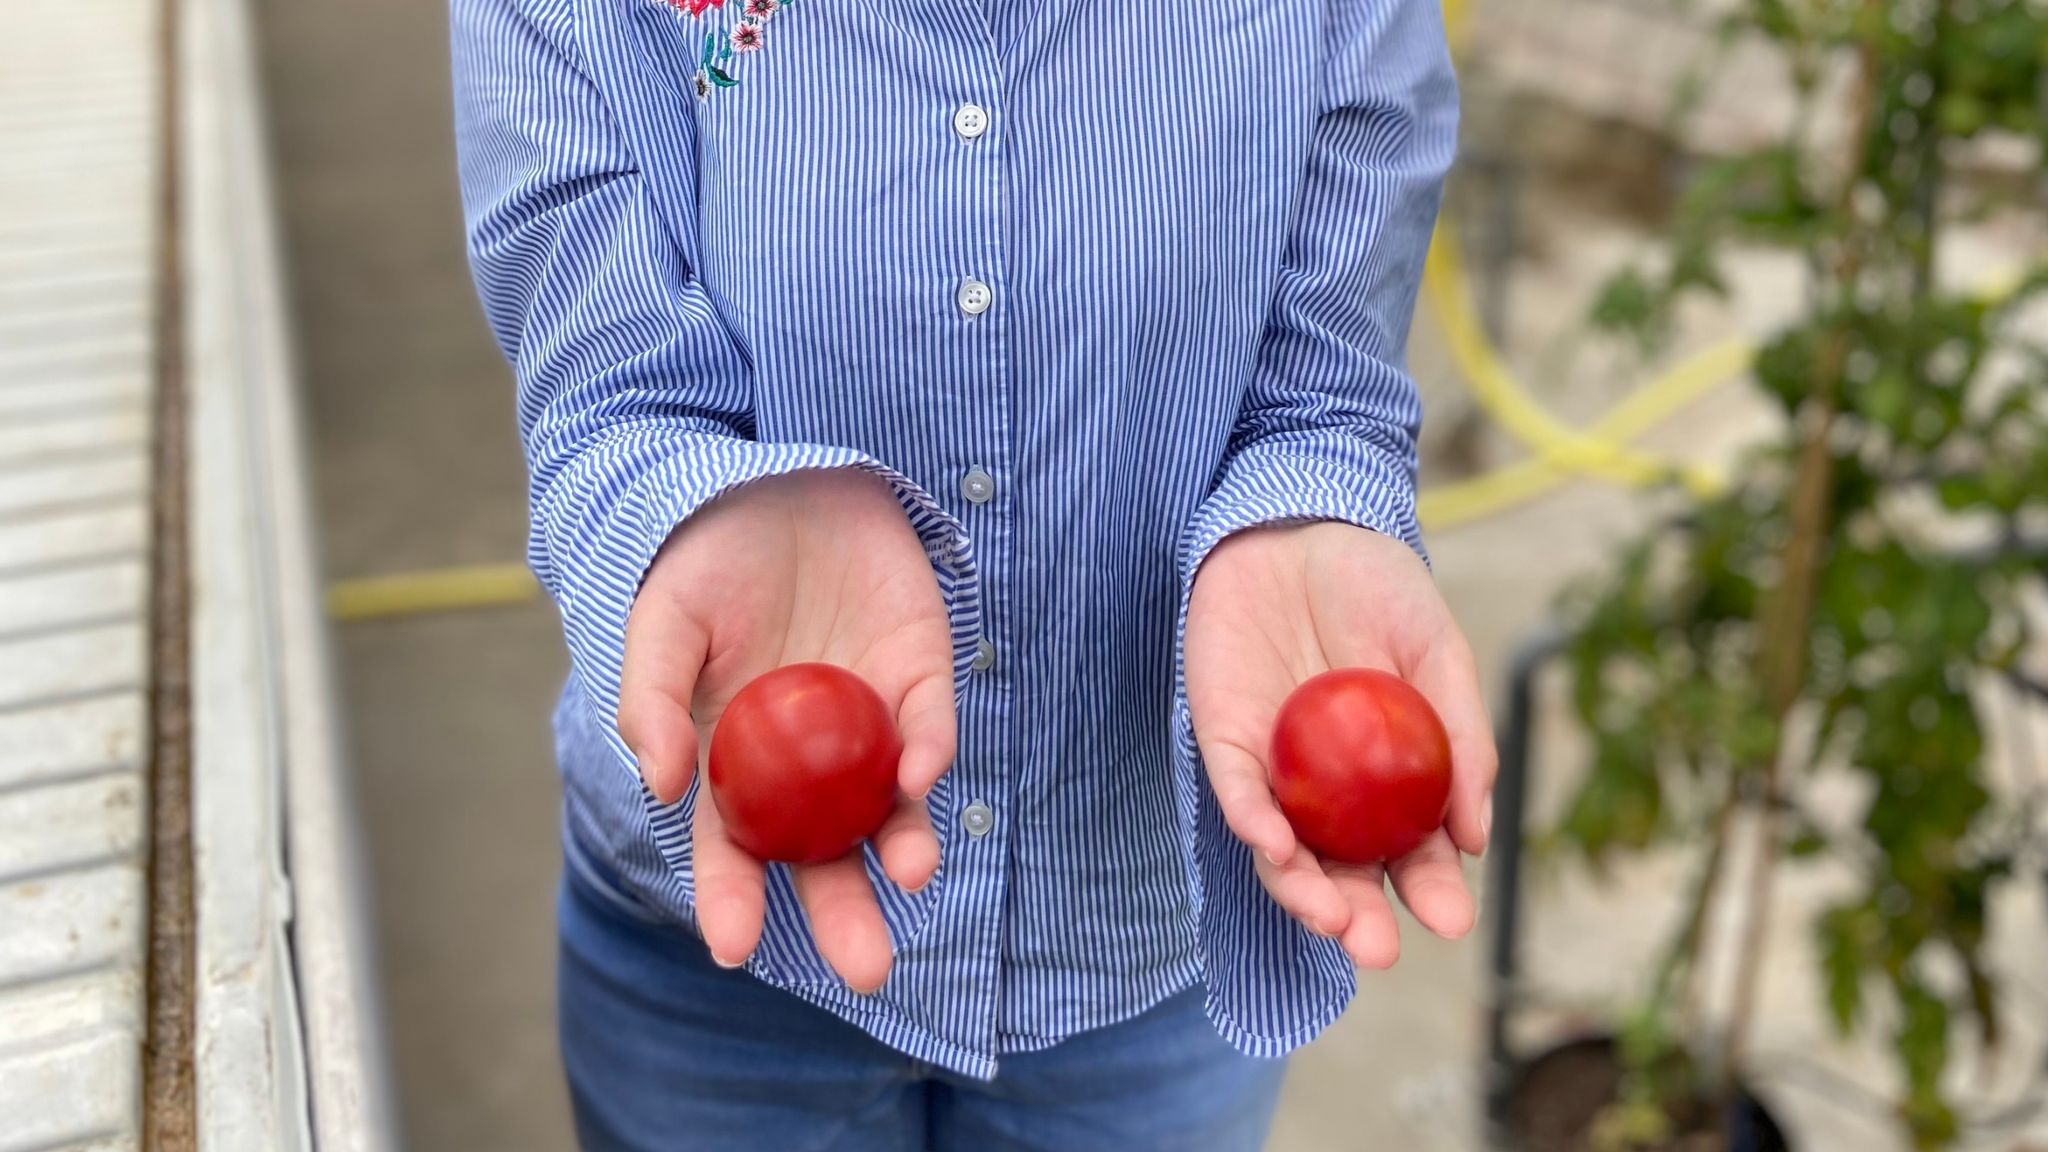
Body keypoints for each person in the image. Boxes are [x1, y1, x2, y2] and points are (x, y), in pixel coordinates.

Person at [451, 0, 1495, 1146]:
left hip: (1137, 941)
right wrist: (694, 516)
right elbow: (599, 379)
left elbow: (1325, 394)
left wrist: (1309, 519)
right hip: (708, 968)